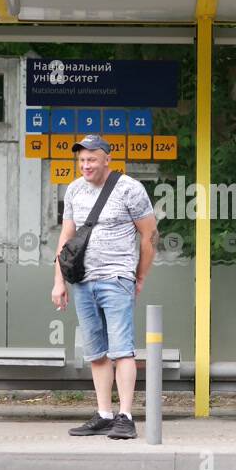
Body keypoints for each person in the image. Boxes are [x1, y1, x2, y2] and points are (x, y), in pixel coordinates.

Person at [53, 134, 158, 440]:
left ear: (107, 159)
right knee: (96, 352)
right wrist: (58, 280)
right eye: (81, 160)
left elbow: (149, 236)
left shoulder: (130, 189)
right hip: (83, 281)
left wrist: (139, 276)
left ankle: (125, 416)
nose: (85, 165)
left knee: (122, 350)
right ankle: (103, 414)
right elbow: (66, 239)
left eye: (91, 159)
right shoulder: (73, 190)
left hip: (116, 278)